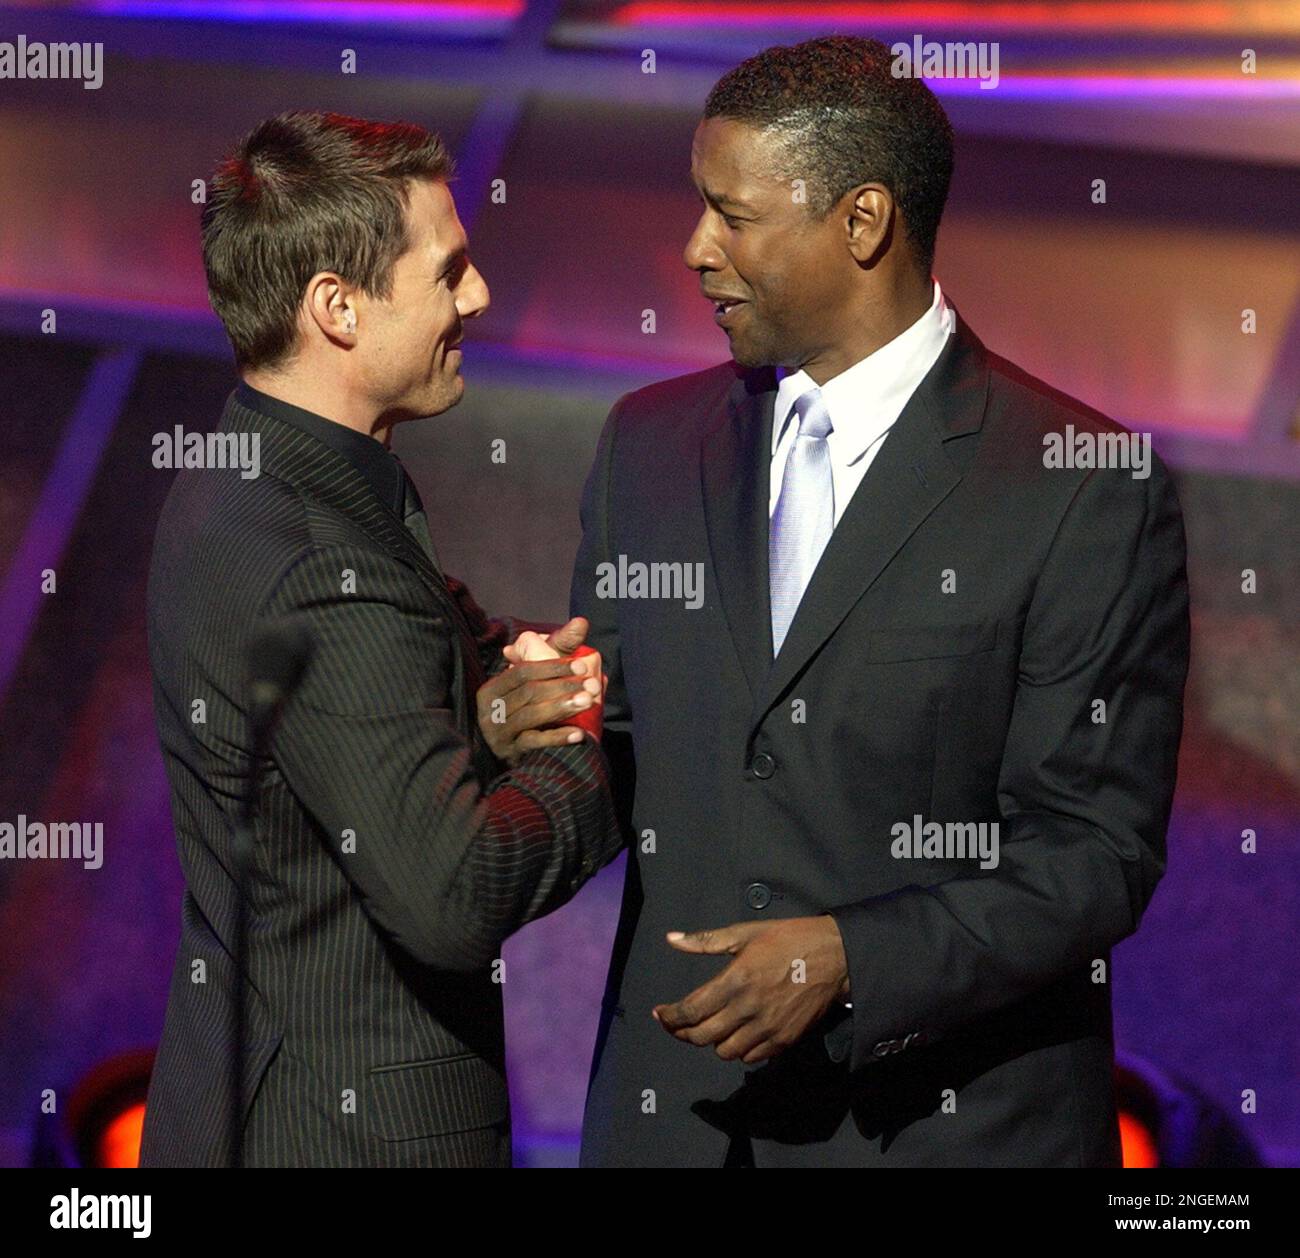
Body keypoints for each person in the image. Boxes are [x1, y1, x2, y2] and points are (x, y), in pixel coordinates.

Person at [566, 37, 1190, 1167]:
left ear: (862, 223)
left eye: (731, 214)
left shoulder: (1079, 483)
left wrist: (852, 955)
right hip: (671, 1130)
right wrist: (527, 721)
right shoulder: (646, 446)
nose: (695, 249)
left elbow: (1094, 853)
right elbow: (611, 747)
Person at [141, 111, 622, 1167]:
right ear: (338, 308)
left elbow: (412, 676)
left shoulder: (249, 473)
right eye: (448, 272)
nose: (479, 295)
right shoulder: (315, 551)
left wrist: (489, 703)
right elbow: (452, 895)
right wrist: (590, 751)